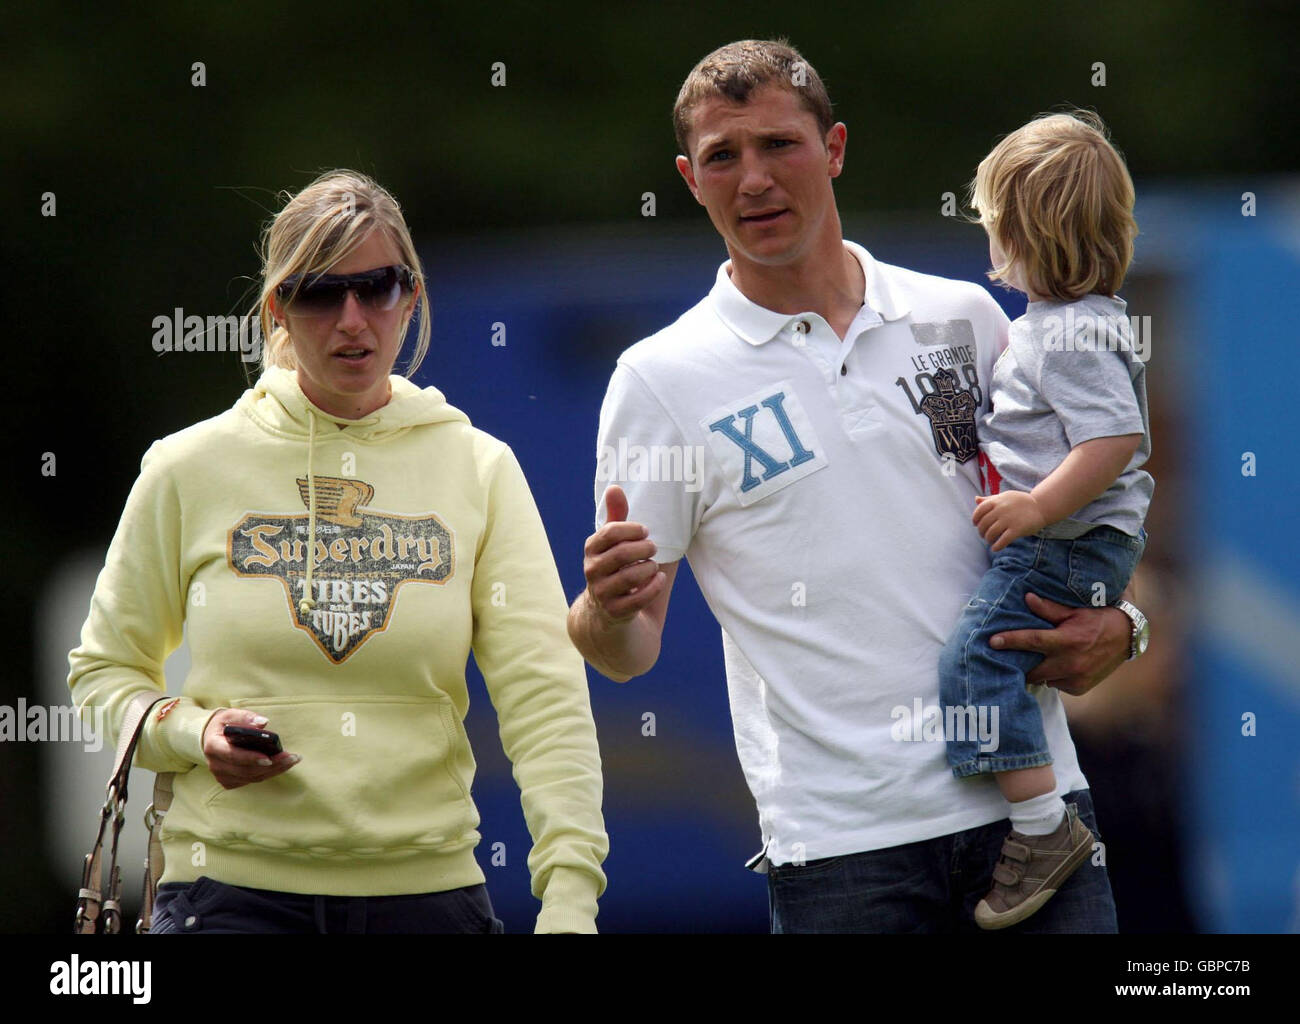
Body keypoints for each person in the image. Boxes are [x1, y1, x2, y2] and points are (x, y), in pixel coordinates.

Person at [567, 40, 1148, 933]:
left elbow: (1087, 491)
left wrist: (1125, 625)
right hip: (843, 853)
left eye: (778, 145)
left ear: (833, 148)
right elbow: (627, 648)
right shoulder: (660, 379)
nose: (753, 178)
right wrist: (603, 609)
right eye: (723, 156)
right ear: (690, 178)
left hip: (1035, 822)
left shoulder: (966, 314)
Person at [68, 169, 607, 934]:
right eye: (321, 292)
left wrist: (570, 902)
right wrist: (193, 734)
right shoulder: (188, 467)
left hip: (429, 898)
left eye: (379, 287)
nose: (353, 318)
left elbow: (546, 702)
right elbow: (103, 672)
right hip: (227, 893)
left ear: (411, 297)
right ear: (278, 310)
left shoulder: (480, 469)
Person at [939, 111, 1151, 929]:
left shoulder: (1066, 333)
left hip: (1063, 544)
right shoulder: (1066, 325)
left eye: (997, 227)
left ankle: (1040, 827)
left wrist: (1036, 504)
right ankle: (1035, 811)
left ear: (1032, 233)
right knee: (1005, 661)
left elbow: (1112, 439)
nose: (991, 246)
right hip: (1071, 542)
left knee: (972, 664)